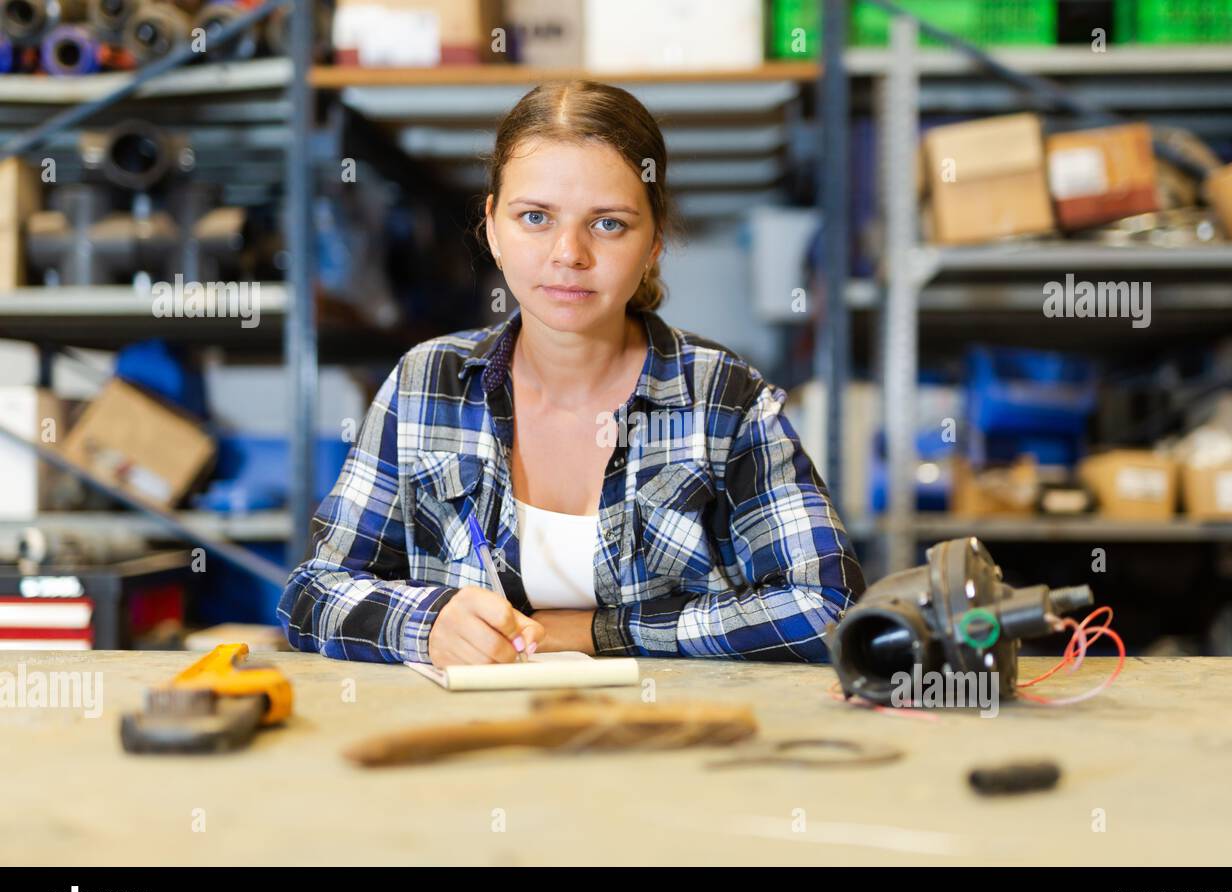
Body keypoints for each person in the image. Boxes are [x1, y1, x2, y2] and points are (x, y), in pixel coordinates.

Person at [278, 80, 866, 666]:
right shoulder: (425, 383)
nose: (569, 253)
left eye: (608, 223)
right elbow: (313, 593)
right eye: (535, 217)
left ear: (655, 240)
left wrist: (597, 632)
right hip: (470, 744)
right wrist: (424, 625)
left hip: (676, 740)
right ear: (492, 226)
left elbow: (826, 607)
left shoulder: (724, 398)